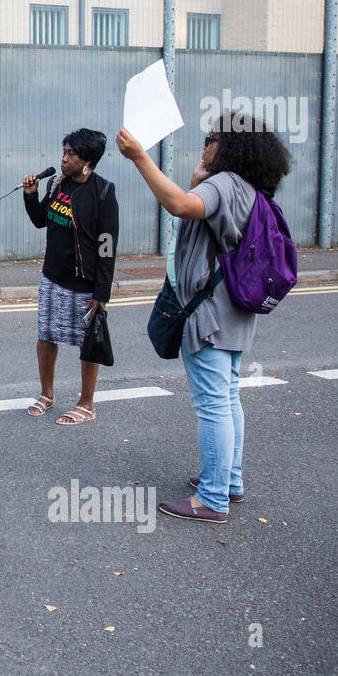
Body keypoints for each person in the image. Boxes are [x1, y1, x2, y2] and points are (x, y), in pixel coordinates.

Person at [116, 112, 291, 523]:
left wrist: (140, 157)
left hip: (207, 316)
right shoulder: (247, 188)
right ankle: (230, 480)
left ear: (229, 147)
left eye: (211, 137)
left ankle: (213, 499)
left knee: (212, 403)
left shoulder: (225, 183)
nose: (205, 142)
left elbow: (178, 204)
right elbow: (194, 217)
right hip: (232, 311)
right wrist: (197, 181)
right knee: (228, 396)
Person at [21, 128, 119, 425]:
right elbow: (41, 221)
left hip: (84, 283)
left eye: (70, 155)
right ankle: (47, 394)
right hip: (52, 277)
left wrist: (101, 294)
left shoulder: (102, 192)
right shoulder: (57, 184)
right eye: (64, 152)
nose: (63, 159)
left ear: (87, 159)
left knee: (86, 343)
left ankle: (86, 404)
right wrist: (31, 196)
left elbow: (107, 247)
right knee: (46, 336)